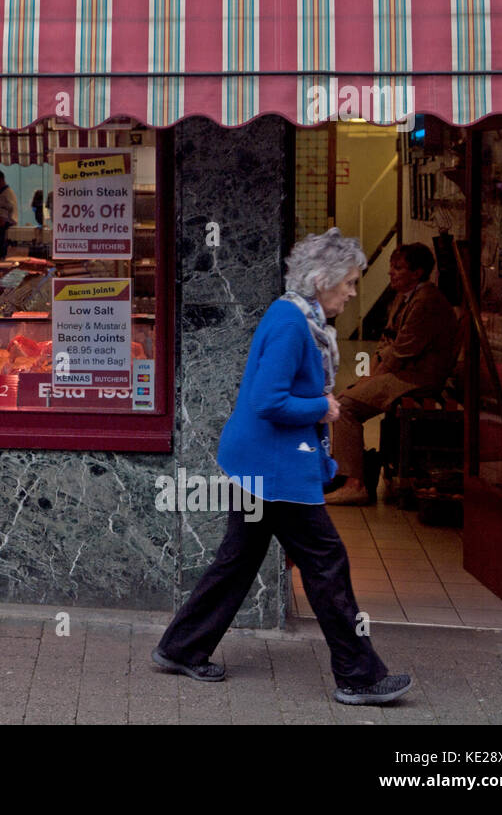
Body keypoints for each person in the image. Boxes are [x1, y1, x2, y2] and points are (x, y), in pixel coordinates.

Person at [153, 228, 411, 706]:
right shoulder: (295, 325)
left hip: (258, 462)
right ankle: (358, 677)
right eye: (349, 283)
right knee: (326, 563)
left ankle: (181, 647)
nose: (353, 293)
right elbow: (269, 401)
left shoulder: (291, 315)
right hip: (273, 470)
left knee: (237, 560)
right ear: (320, 280)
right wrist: (323, 409)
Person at [324, 242, 459, 505]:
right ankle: (348, 474)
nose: (391, 273)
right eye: (391, 267)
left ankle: (355, 483)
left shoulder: (426, 302)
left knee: (345, 407)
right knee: (346, 398)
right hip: (405, 372)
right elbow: (388, 341)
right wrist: (375, 371)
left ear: (417, 272)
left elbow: (401, 351)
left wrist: (374, 375)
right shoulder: (405, 297)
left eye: (398, 268)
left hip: (417, 377)